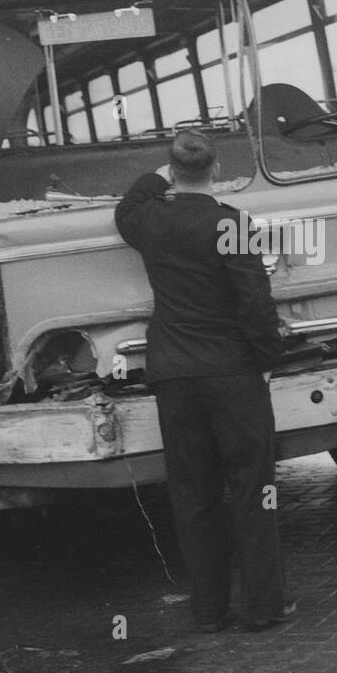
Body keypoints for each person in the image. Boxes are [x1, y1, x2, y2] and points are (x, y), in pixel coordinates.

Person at [115, 130, 293, 630]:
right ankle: (262, 606)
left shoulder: (147, 220)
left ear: (173, 172)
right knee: (254, 489)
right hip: (233, 372)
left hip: (174, 374)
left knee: (194, 493)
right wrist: (268, 356)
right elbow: (256, 301)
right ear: (217, 171)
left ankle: (208, 610)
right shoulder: (233, 224)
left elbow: (132, 199)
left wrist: (160, 174)